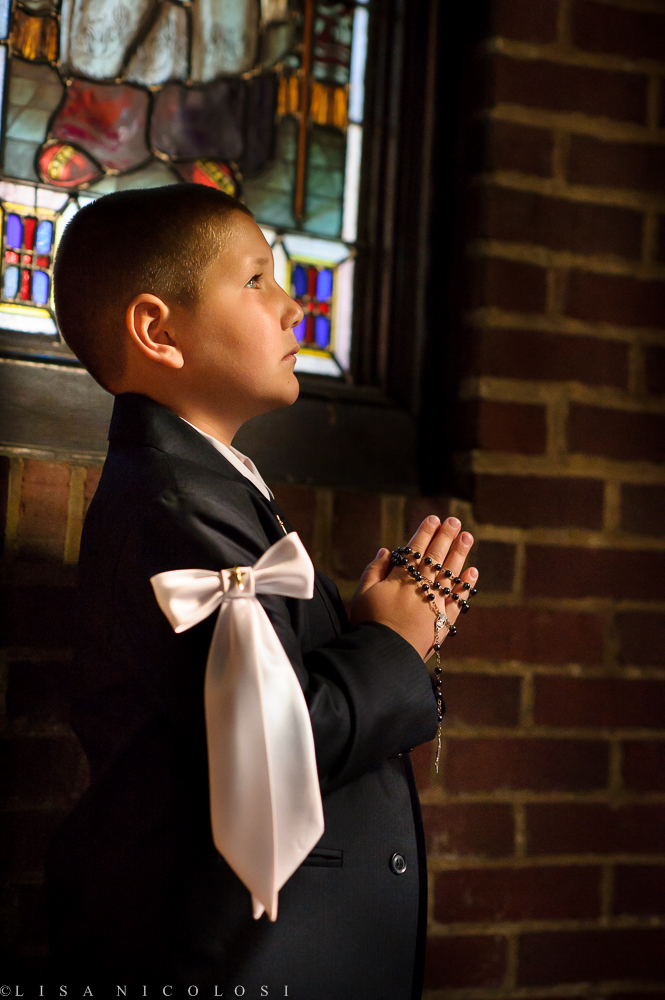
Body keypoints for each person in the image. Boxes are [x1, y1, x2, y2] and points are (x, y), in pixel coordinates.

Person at [45, 184, 479, 996]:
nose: (291, 308)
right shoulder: (172, 511)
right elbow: (280, 749)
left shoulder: (211, 488)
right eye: (256, 281)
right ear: (157, 331)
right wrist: (391, 643)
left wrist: (372, 631)